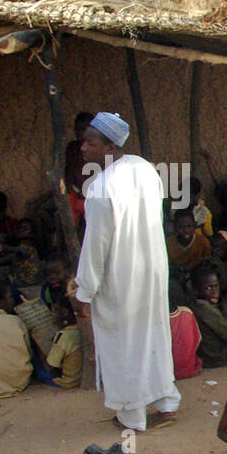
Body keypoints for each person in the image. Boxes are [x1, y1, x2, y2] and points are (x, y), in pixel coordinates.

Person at [71, 111, 179, 431]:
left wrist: (84, 291)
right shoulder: (145, 169)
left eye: (90, 142)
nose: (83, 147)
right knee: (153, 334)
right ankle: (167, 403)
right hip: (153, 269)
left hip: (121, 277)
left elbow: (95, 248)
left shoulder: (101, 188)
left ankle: (131, 414)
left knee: (123, 343)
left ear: (109, 147)